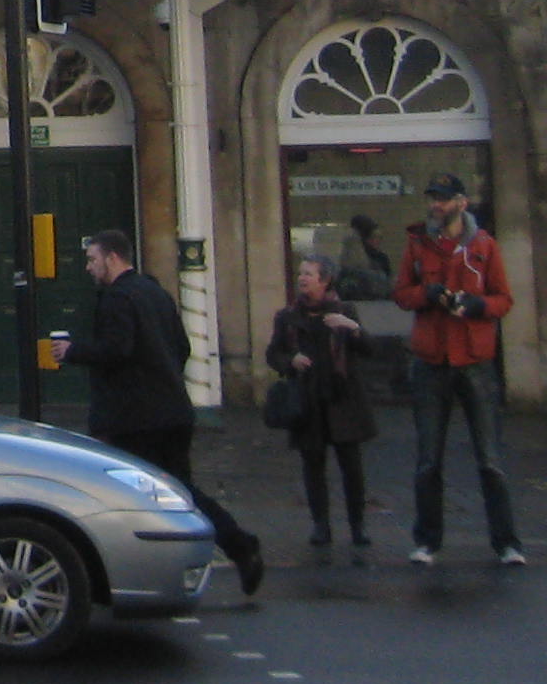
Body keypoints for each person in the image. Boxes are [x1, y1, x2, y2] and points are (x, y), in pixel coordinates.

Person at [54, 227, 265, 594]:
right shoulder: (155, 292)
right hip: (172, 410)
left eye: (92, 259)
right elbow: (182, 347)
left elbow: (117, 349)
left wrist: (73, 352)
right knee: (180, 492)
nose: (88, 267)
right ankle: (229, 548)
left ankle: (151, 566)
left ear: (112, 258)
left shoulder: (117, 299)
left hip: (136, 418)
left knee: (134, 493)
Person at [393, 172, 523, 568]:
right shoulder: (417, 244)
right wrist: (427, 294)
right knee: (428, 459)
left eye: (444, 199)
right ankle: (427, 542)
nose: (436, 205)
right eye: (433, 198)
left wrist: (478, 305)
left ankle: (506, 543)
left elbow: (504, 299)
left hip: (474, 360)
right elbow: (401, 294)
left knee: (490, 460)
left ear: (461, 203)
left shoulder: (484, 245)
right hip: (431, 361)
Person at [266, 255, 378, 546]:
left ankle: (357, 526)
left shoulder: (344, 311)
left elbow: (368, 349)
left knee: (351, 467)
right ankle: (321, 525)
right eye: (300, 273)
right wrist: (291, 360)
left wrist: (352, 327)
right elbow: (273, 353)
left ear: (325, 281)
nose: (302, 279)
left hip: (343, 398)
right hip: (308, 400)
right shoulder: (287, 316)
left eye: (309, 274)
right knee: (313, 465)